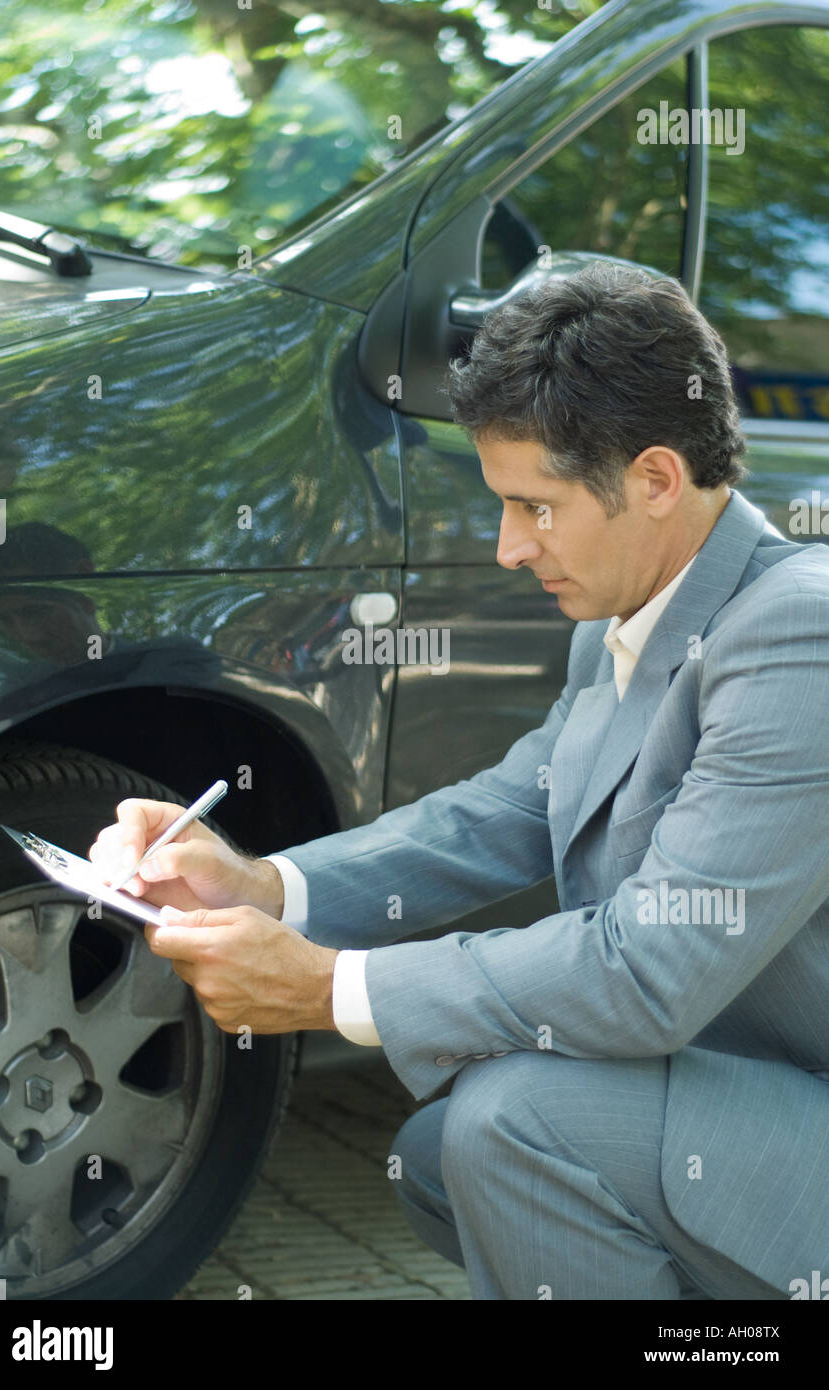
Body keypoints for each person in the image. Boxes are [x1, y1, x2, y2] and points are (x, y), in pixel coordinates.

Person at [90, 263, 829, 1300]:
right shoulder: (636, 611)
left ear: (657, 480)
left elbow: (650, 971)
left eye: (535, 506)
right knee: (447, 1155)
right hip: (739, 1097)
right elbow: (508, 812)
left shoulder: (801, 631)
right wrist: (264, 884)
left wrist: (330, 989)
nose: (508, 548)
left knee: (513, 1126)